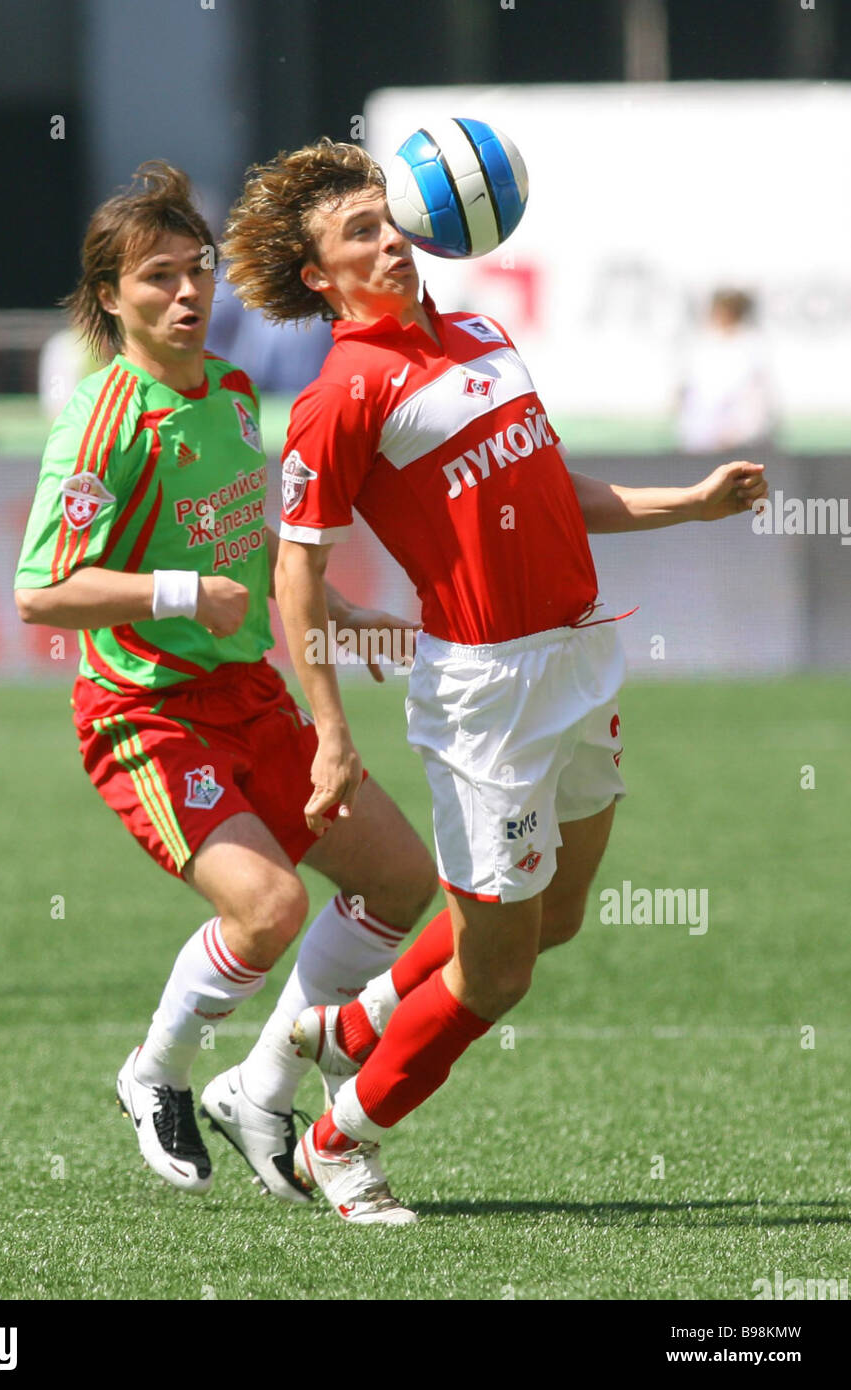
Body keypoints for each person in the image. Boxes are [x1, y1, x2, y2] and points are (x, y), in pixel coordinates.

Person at [221, 138, 769, 1224]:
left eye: (387, 218)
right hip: (485, 698)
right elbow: (296, 572)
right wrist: (329, 732)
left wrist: (689, 502)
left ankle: (354, 1022)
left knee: (552, 918)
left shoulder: (478, 331)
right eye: (360, 235)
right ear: (320, 278)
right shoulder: (340, 395)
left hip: (578, 652)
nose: (391, 240)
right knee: (496, 974)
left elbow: (553, 484)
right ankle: (341, 1141)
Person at [13, 160, 437, 1206]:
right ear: (110, 299)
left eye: (196, 270)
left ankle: (263, 1084)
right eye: (156, 278)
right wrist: (172, 591)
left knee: (399, 880)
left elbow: (247, 578)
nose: (187, 293)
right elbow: (39, 592)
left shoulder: (237, 396)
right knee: (269, 907)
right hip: (143, 714)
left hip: (247, 694)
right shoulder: (105, 420)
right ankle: (155, 1073)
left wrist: (342, 618)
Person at [676, 289, 775, 454]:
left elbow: (755, 399)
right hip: (701, 439)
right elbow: (690, 392)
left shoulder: (752, 346)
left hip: (740, 441)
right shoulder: (702, 344)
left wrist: (739, 431)